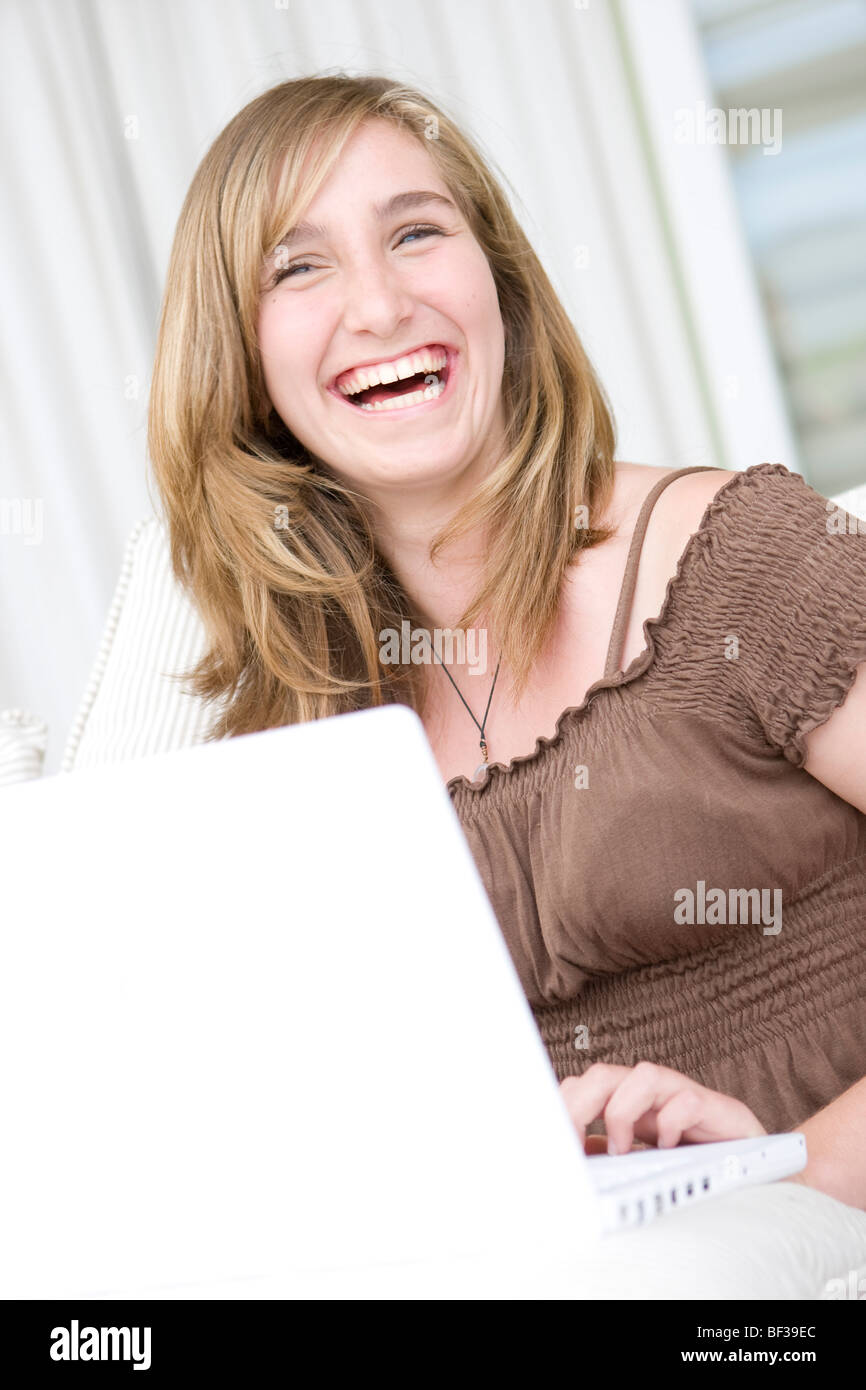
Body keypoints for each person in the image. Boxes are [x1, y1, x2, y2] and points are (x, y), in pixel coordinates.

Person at [148, 74, 866, 1207]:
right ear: (238, 359)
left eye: (415, 232)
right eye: (298, 266)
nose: (378, 306)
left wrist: (792, 1168)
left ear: (499, 283)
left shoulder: (743, 558)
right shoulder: (280, 742)